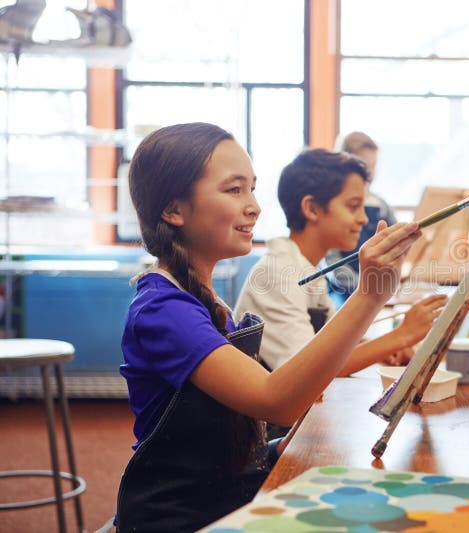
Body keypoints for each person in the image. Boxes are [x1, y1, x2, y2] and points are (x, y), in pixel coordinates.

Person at [115, 123, 421, 532]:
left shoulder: (205, 300)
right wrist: (369, 296)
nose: (254, 206)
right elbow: (276, 400)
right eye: (234, 189)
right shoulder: (163, 309)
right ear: (174, 210)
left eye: (253, 188)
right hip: (183, 516)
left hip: (222, 495)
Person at [234, 148, 446, 376]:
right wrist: (401, 336)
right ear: (312, 209)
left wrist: (386, 349)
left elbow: (335, 345)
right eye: (353, 206)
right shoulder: (277, 274)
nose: (363, 219)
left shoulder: (307, 269)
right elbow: (309, 371)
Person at [325, 131, 397, 302]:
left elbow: (398, 242)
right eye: (365, 167)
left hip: (372, 291)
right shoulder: (330, 205)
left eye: (374, 167)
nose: (370, 175)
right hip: (341, 294)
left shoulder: (380, 205)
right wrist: (365, 288)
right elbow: (332, 265)